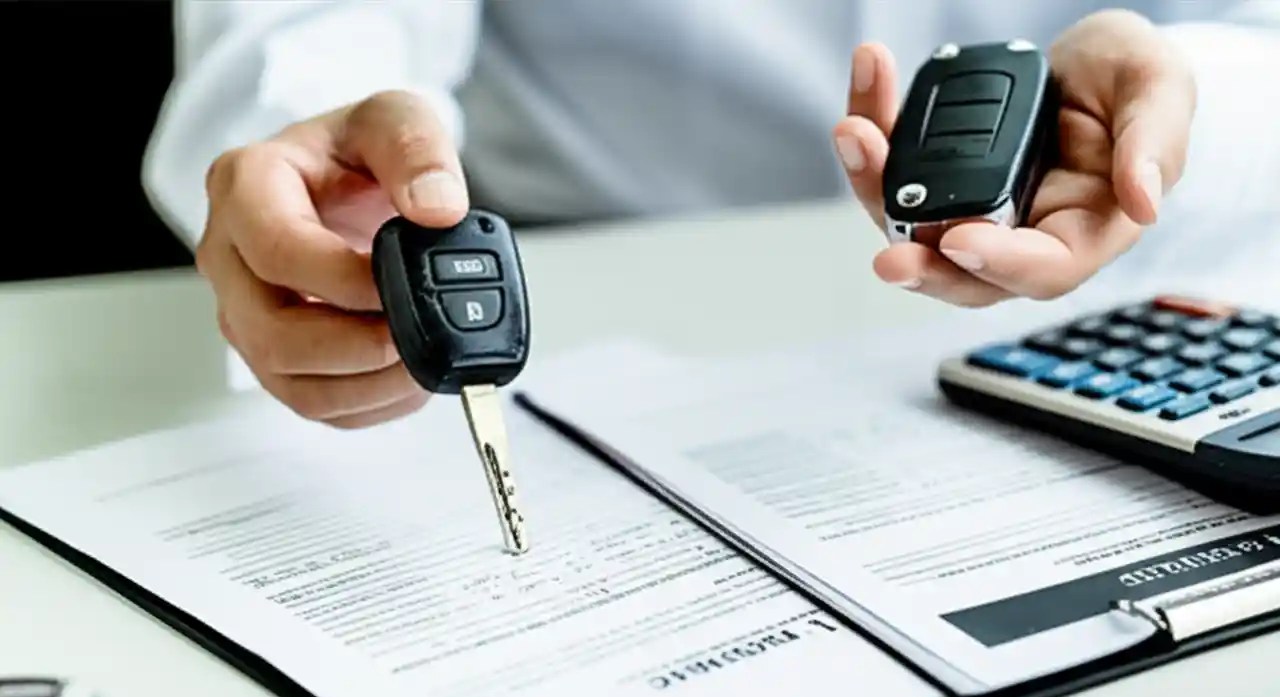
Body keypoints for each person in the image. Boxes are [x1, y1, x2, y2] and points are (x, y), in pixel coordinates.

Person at [143, 1, 1280, 429]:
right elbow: (309, 30)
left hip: (1128, 302)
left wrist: (1197, 101)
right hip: (570, 269)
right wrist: (314, 137)